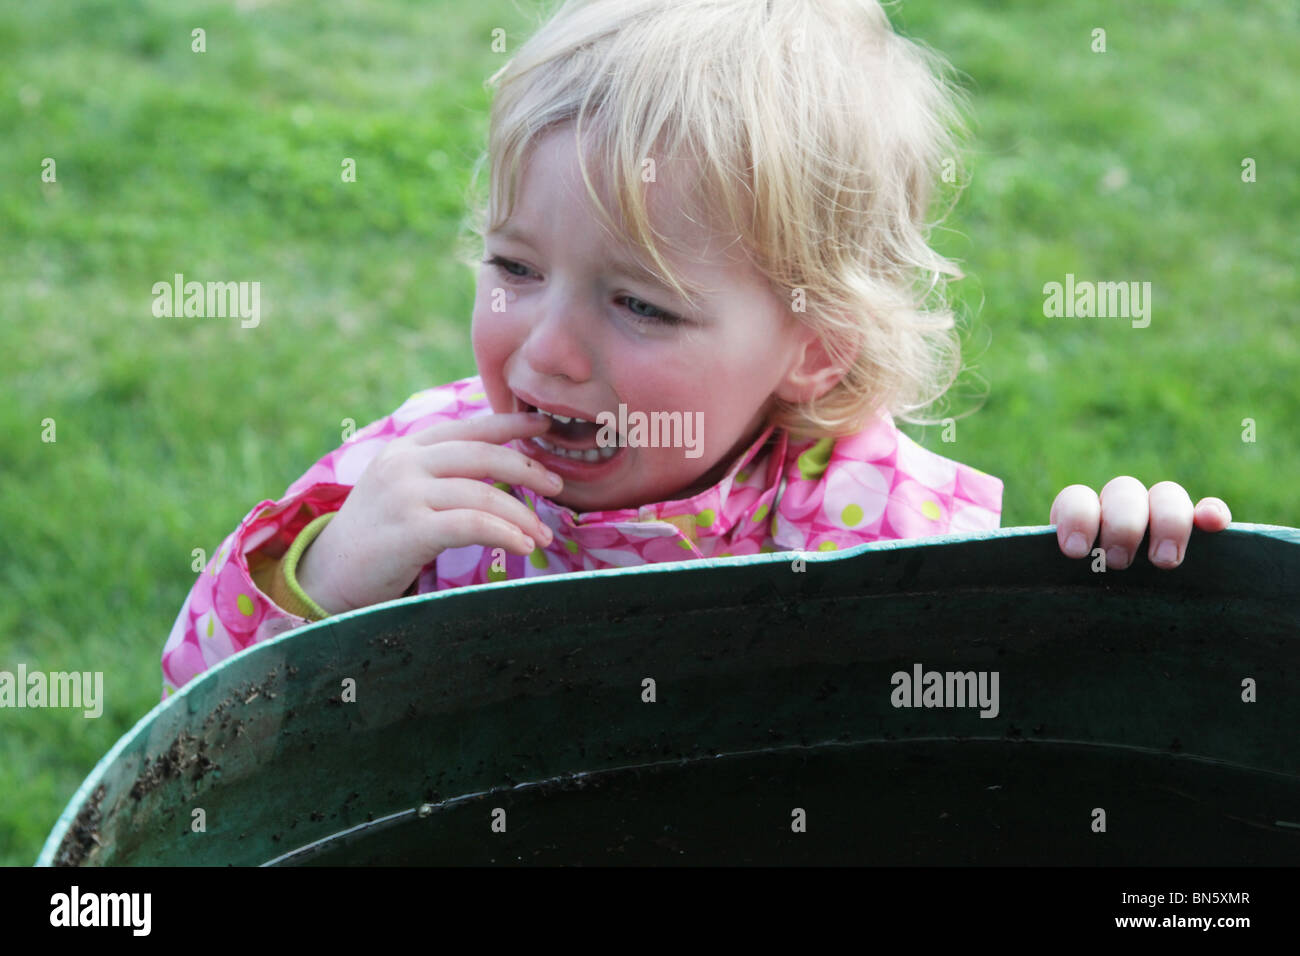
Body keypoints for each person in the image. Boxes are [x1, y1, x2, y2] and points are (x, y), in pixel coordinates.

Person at [160, 0, 1230, 697]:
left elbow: (1012, 759)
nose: (546, 350)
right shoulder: (421, 477)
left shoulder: (871, 524)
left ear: (816, 348)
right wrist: (331, 581)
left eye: (640, 304)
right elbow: (196, 719)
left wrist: (1115, 593)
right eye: (517, 268)